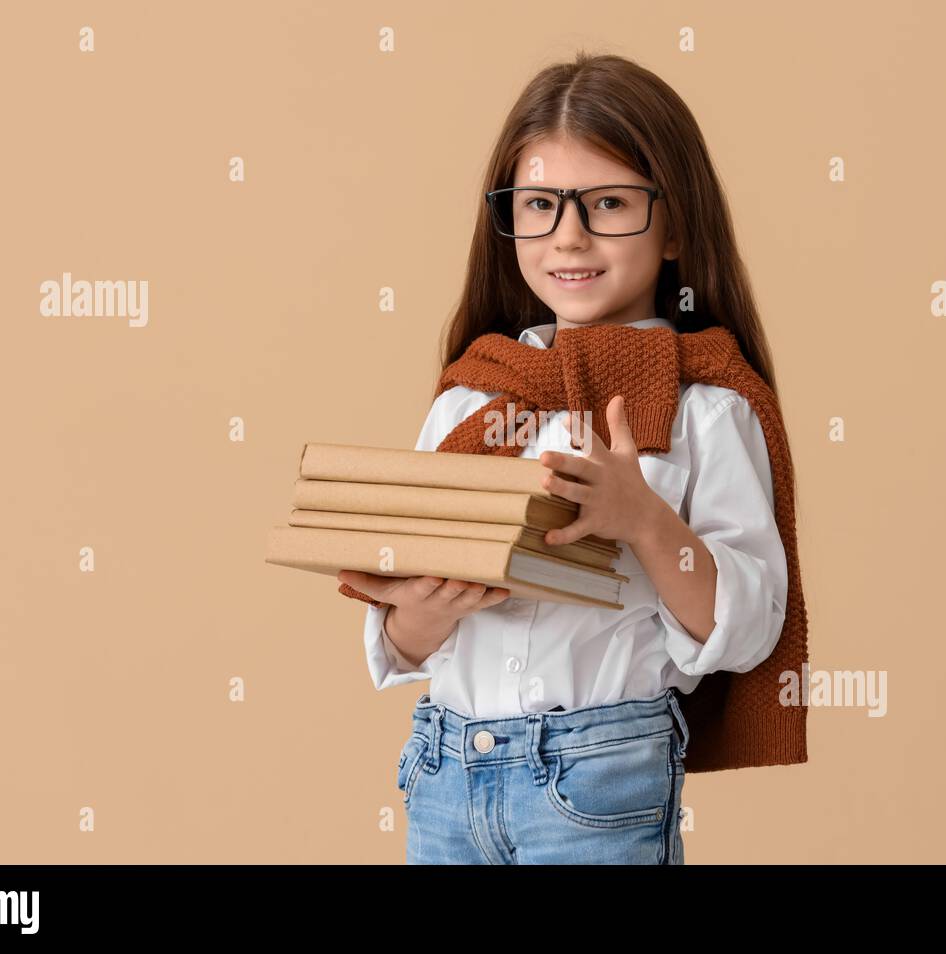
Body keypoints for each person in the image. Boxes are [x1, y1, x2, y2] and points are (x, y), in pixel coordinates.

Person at [337, 51, 807, 864]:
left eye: (610, 203)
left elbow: (747, 627)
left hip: (599, 777)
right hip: (446, 772)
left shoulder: (707, 408)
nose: (570, 236)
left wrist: (646, 524)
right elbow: (407, 644)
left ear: (676, 227)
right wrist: (429, 605)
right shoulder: (470, 400)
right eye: (541, 206)